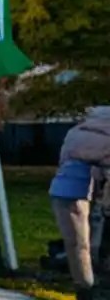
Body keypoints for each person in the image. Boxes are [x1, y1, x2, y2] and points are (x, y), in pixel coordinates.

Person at [50, 106, 110, 300]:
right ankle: (87, 289)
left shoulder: (75, 132)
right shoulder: (106, 138)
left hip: (61, 189)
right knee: (83, 244)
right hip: (78, 192)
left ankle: (85, 285)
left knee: (76, 242)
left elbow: (63, 160)